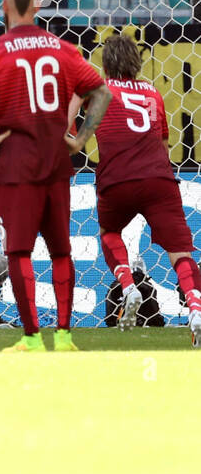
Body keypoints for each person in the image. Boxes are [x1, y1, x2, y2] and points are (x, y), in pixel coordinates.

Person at [0, 0, 111, 352]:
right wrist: (79, 140)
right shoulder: (64, 50)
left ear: (4, 5)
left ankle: (31, 338)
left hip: (17, 163)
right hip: (57, 161)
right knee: (61, 251)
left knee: (19, 251)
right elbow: (101, 93)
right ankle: (64, 336)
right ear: (39, 5)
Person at [75, 33, 201, 344]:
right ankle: (196, 309)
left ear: (106, 64)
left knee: (109, 232)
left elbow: (81, 123)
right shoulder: (153, 94)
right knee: (180, 252)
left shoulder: (101, 91)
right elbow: (161, 142)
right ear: (137, 62)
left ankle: (128, 286)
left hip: (117, 179)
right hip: (158, 179)